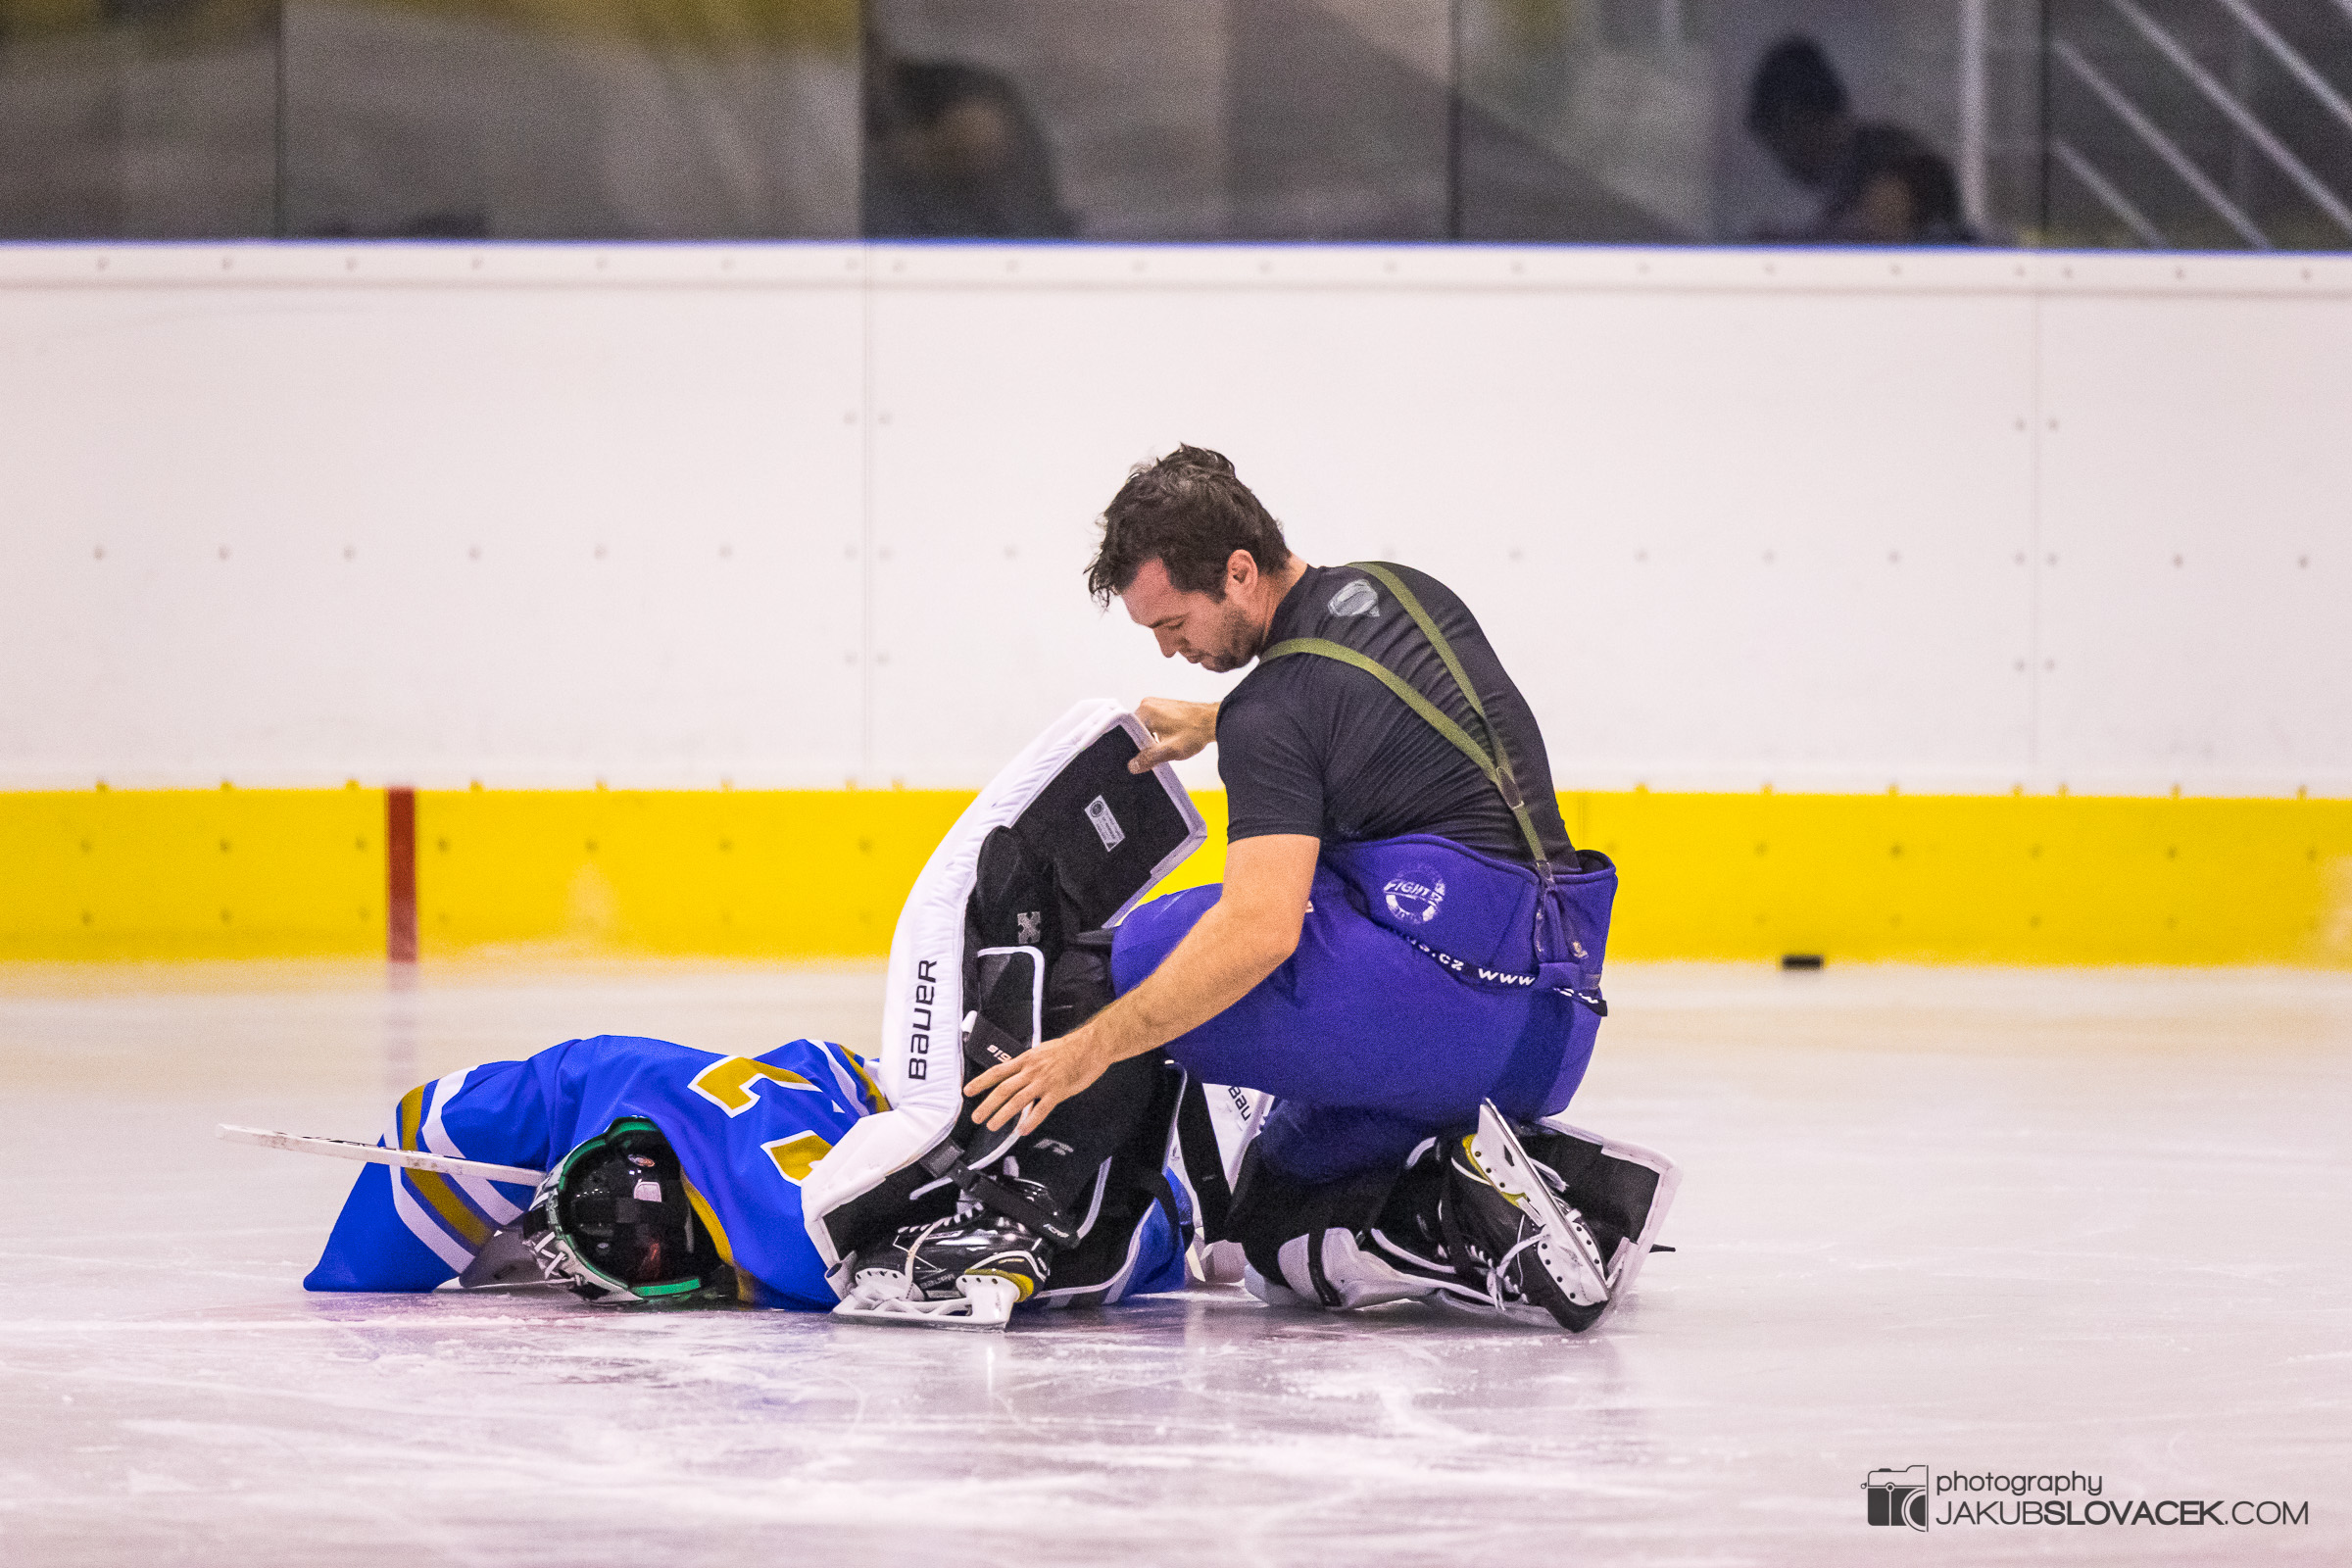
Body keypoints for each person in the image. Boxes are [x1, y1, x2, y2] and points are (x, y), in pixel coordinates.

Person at [961, 447, 1674, 1331]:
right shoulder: (1401, 590)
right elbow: (1374, 710)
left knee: (1124, 963)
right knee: (1272, 1225)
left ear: (1239, 571)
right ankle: (1503, 1202)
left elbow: (1258, 930)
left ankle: (1023, 1228)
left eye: (1174, 621)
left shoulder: (1274, 712)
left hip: (1446, 1009)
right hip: (1546, 1025)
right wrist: (1224, 721)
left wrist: (1092, 1048)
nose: (1168, 649)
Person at [1744, 34, 1975, 245]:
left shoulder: (1896, 162)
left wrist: (1790, 245)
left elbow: (1876, 232)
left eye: (1781, 146)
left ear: (1799, 121)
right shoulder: (1845, 176)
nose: (1785, 165)